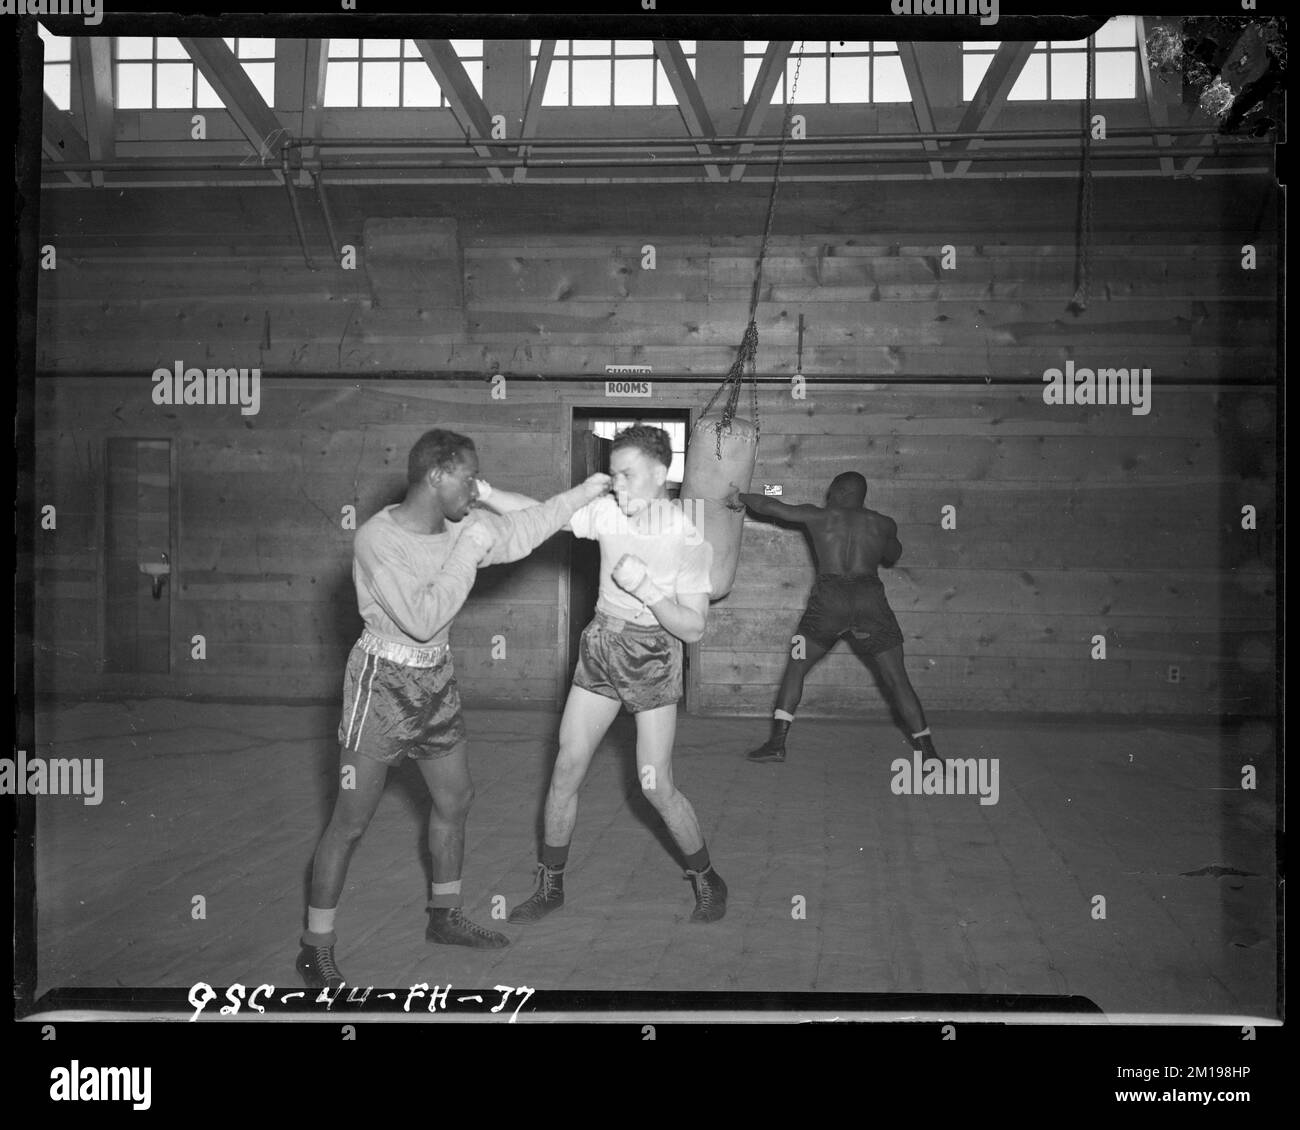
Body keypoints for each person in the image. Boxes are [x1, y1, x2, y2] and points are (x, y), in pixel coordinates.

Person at [297, 428, 610, 990]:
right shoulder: (377, 539)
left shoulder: (462, 524)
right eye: (469, 478)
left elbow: (528, 528)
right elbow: (421, 617)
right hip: (381, 682)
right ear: (437, 475)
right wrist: (470, 546)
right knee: (351, 821)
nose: (478, 489)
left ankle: (444, 916)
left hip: (435, 680)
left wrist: (584, 491)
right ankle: (315, 946)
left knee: (456, 798)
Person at [502, 425, 727, 924]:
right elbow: (541, 513)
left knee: (654, 785)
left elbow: (692, 628)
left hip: (652, 655)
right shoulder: (606, 513)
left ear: (660, 475)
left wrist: (647, 589)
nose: (617, 485)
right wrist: (486, 494)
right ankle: (551, 883)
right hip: (602, 644)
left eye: (627, 475)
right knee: (566, 766)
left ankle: (707, 878)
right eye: (613, 474)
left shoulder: (687, 539)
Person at [731, 472, 939, 764]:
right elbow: (893, 554)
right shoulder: (882, 523)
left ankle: (777, 743)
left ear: (841, 491)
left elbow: (769, 506)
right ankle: (929, 755)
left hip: (829, 601)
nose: (828, 497)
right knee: (897, 679)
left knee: (797, 667)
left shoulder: (818, 516)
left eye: (832, 492)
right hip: (870, 600)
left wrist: (738, 496)